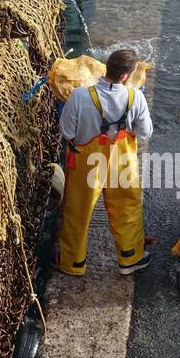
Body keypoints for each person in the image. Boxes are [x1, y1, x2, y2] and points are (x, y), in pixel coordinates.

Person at [57, 48, 154, 275]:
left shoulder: (80, 96)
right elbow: (145, 133)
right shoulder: (135, 97)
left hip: (87, 163)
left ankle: (73, 263)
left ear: (107, 68)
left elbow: (66, 131)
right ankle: (130, 258)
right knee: (126, 207)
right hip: (122, 162)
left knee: (78, 211)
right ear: (125, 76)